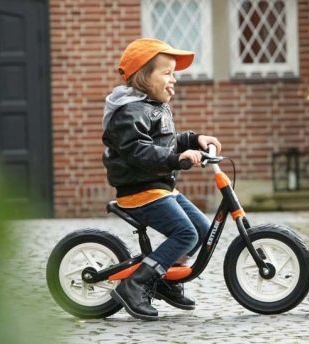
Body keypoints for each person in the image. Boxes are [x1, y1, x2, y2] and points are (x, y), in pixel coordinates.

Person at [102, 38, 221, 321]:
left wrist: (194, 139)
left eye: (173, 73)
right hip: (139, 189)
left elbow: (166, 140)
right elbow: (138, 150)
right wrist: (176, 159)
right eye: (166, 73)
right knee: (186, 234)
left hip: (159, 187)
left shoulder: (153, 106)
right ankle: (136, 284)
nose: (174, 79)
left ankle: (163, 280)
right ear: (144, 77)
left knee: (203, 231)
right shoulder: (129, 111)